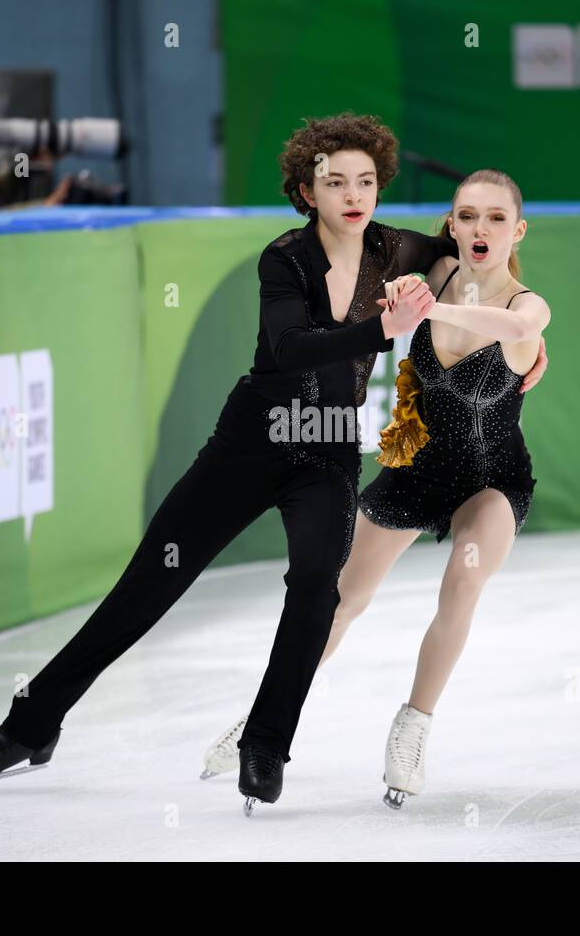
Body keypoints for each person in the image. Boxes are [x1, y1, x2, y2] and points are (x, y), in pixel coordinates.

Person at [0, 114, 547, 813]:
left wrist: (527, 345)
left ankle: (264, 744)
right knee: (148, 585)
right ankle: (34, 721)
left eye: (366, 181)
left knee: (319, 589)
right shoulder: (285, 259)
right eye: (334, 182)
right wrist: (382, 328)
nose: (353, 195)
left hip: (326, 448)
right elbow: (290, 348)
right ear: (305, 191)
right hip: (253, 439)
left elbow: (491, 268)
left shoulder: (402, 250)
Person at [200, 169, 550, 808]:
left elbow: (523, 328)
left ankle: (413, 725)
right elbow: (351, 248)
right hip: (417, 471)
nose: (480, 229)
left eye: (497, 218)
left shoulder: (525, 305)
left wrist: (425, 309)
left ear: (517, 230)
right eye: (467, 215)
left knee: (464, 579)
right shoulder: (432, 269)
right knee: (338, 599)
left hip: (494, 479)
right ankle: (265, 723)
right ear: (451, 223)